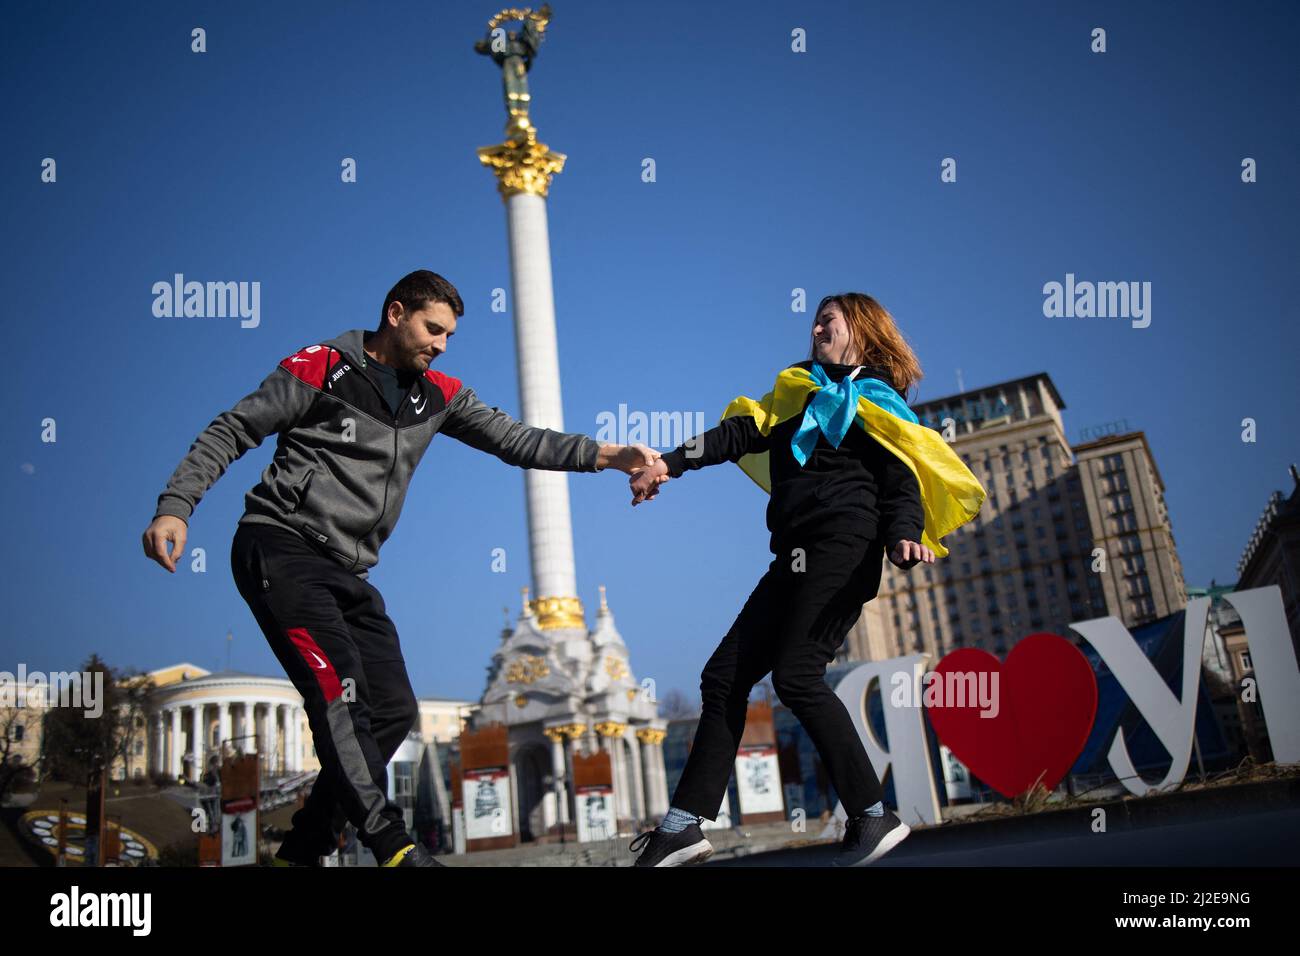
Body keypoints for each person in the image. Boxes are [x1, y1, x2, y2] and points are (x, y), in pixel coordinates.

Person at [142, 269, 657, 868]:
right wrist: (177, 505)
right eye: (432, 329)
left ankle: (301, 850)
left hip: (349, 572)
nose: (440, 344)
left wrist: (611, 455)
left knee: (391, 709)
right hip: (280, 547)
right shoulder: (319, 367)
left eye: (449, 336)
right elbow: (233, 428)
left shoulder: (437, 395)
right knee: (337, 694)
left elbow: (517, 440)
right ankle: (393, 846)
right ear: (394, 314)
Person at [625, 292, 985, 867]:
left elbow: (903, 479)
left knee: (796, 674)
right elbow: (734, 435)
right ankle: (682, 826)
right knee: (722, 677)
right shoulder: (792, 396)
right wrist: (669, 462)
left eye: (829, 320)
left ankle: (872, 816)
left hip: (846, 546)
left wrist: (902, 535)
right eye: (813, 319)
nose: (816, 327)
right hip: (791, 554)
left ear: (862, 334)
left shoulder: (880, 405)